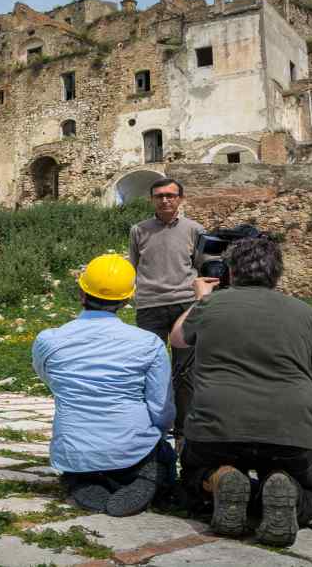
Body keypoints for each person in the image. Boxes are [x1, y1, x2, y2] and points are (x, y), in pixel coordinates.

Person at [168, 236, 312, 546]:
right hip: (290, 432)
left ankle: (219, 477)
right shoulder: (305, 312)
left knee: (194, 481)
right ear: (276, 274)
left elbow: (178, 339)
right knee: (307, 491)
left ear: (231, 272)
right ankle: (286, 488)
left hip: (217, 430)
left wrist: (201, 298)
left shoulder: (210, 305)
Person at [32, 254, 176, 517]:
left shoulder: (48, 341)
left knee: (77, 464)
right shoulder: (149, 344)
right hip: (132, 446)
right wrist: (161, 431)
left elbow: (50, 380)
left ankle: (81, 481)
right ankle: (146, 477)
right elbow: (161, 407)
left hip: (75, 447)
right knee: (162, 452)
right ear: (127, 299)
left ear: (81, 293)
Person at [128, 178, 205, 445]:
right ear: (152, 200)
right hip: (150, 306)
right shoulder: (139, 230)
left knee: (185, 370)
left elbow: (199, 266)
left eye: (170, 195)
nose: (165, 200)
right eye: (159, 196)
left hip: (185, 304)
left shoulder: (194, 229)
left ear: (180, 199)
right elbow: (135, 265)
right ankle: (151, 429)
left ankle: (184, 433)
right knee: (149, 368)